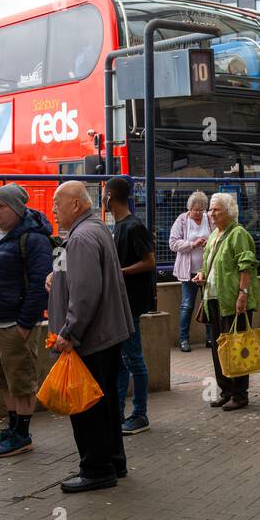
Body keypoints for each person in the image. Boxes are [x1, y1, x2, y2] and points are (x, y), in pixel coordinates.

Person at [47, 181, 135, 492]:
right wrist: (55, 278)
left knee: (87, 405)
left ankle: (96, 469)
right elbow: (71, 274)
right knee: (106, 401)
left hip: (89, 338)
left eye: (58, 203)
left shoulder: (81, 237)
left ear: (75, 205)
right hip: (107, 335)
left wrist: (69, 333)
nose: (54, 209)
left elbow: (85, 295)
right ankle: (114, 461)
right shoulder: (91, 230)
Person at [0, 183, 54, 459]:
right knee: (3, 380)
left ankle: (23, 434)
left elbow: (40, 285)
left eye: (1, 205)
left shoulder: (33, 238)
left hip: (14, 325)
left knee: (21, 381)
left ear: (17, 208)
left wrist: (25, 324)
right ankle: (12, 426)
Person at [194, 192, 259, 411]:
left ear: (229, 212)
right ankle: (226, 391)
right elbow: (209, 263)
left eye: (215, 209)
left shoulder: (238, 234)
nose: (211, 214)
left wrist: (243, 293)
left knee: (237, 347)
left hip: (232, 299)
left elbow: (246, 265)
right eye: (210, 209)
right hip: (213, 299)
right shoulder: (214, 235)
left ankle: (240, 395)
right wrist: (202, 274)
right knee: (219, 348)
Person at [106, 177, 154, 435]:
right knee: (123, 359)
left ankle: (140, 414)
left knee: (133, 358)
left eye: (104, 193)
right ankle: (119, 411)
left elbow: (150, 262)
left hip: (131, 304)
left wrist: (119, 271)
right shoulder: (117, 226)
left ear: (110, 196)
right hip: (121, 303)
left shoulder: (133, 226)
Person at [169, 191, 212, 352]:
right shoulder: (182, 220)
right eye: (196, 210)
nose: (199, 213)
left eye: (202, 209)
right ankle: (184, 340)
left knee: (208, 303)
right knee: (187, 305)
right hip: (188, 271)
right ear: (189, 208)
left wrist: (210, 242)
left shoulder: (209, 219)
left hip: (207, 269)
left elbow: (216, 236)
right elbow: (173, 243)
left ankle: (210, 338)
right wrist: (192, 244)